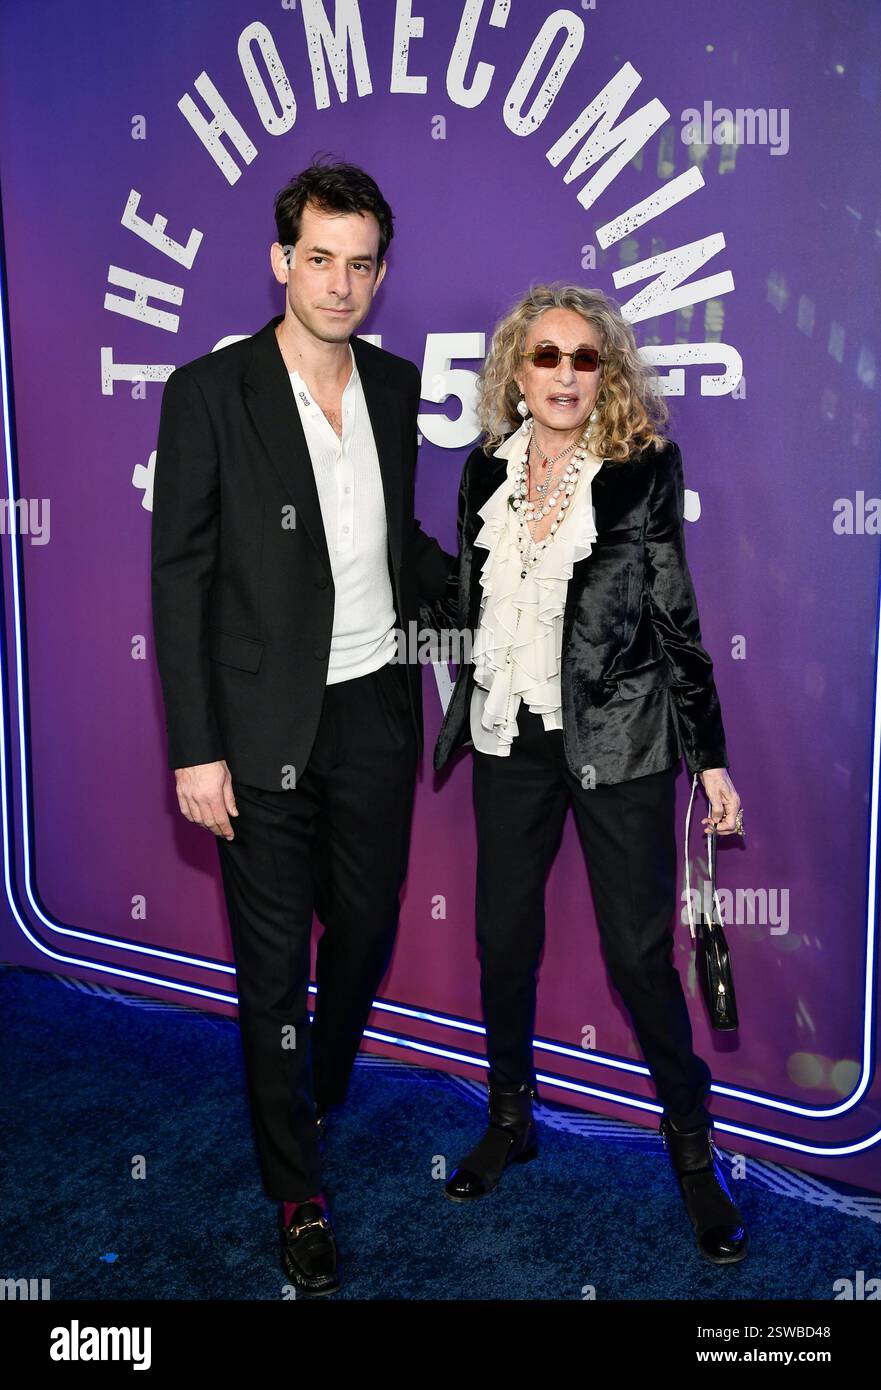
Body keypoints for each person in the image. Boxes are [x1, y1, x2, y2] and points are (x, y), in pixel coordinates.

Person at [151, 159, 454, 1295]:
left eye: (359, 263)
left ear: (379, 273)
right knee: (274, 972)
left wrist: (499, 579)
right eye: (317, 259)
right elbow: (178, 579)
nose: (339, 282)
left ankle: (315, 1087)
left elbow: (394, 548)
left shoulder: (389, 384)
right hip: (257, 724)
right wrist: (194, 745)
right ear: (282, 262)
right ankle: (297, 1192)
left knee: (363, 935)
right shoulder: (208, 393)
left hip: (374, 706)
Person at [430, 283, 748, 1265]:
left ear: (604, 371)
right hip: (508, 736)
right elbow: (465, 597)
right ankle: (511, 1115)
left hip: (616, 741)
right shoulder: (481, 468)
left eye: (583, 358)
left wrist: (712, 759)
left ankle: (693, 1152)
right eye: (544, 357)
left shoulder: (640, 468)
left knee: (634, 957)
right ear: (514, 372)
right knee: (500, 941)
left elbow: (673, 618)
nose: (564, 374)